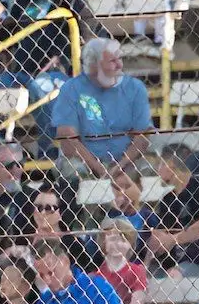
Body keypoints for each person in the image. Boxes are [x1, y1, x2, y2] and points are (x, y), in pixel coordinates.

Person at [50, 38, 150, 200]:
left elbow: (143, 137)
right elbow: (68, 142)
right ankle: (87, 221)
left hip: (126, 160)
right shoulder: (71, 90)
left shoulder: (134, 88)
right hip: (87, 162)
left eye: (120, 59)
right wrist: (99, 168)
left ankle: (144, 220)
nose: (119, 65)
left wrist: (120, 165)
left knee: (149, 167)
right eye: (112, 61)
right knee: (72, 169)